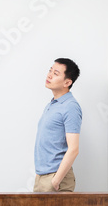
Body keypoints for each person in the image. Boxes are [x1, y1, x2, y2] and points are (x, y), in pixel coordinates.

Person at [34, 58, 82, 192]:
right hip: (41, 177)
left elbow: (74, 149)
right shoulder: (52, 105)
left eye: (56, 73)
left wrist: (56, 180)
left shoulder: (70, 106)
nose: (49, 75)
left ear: (67, 82)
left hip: (56, 179)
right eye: (50, 71)